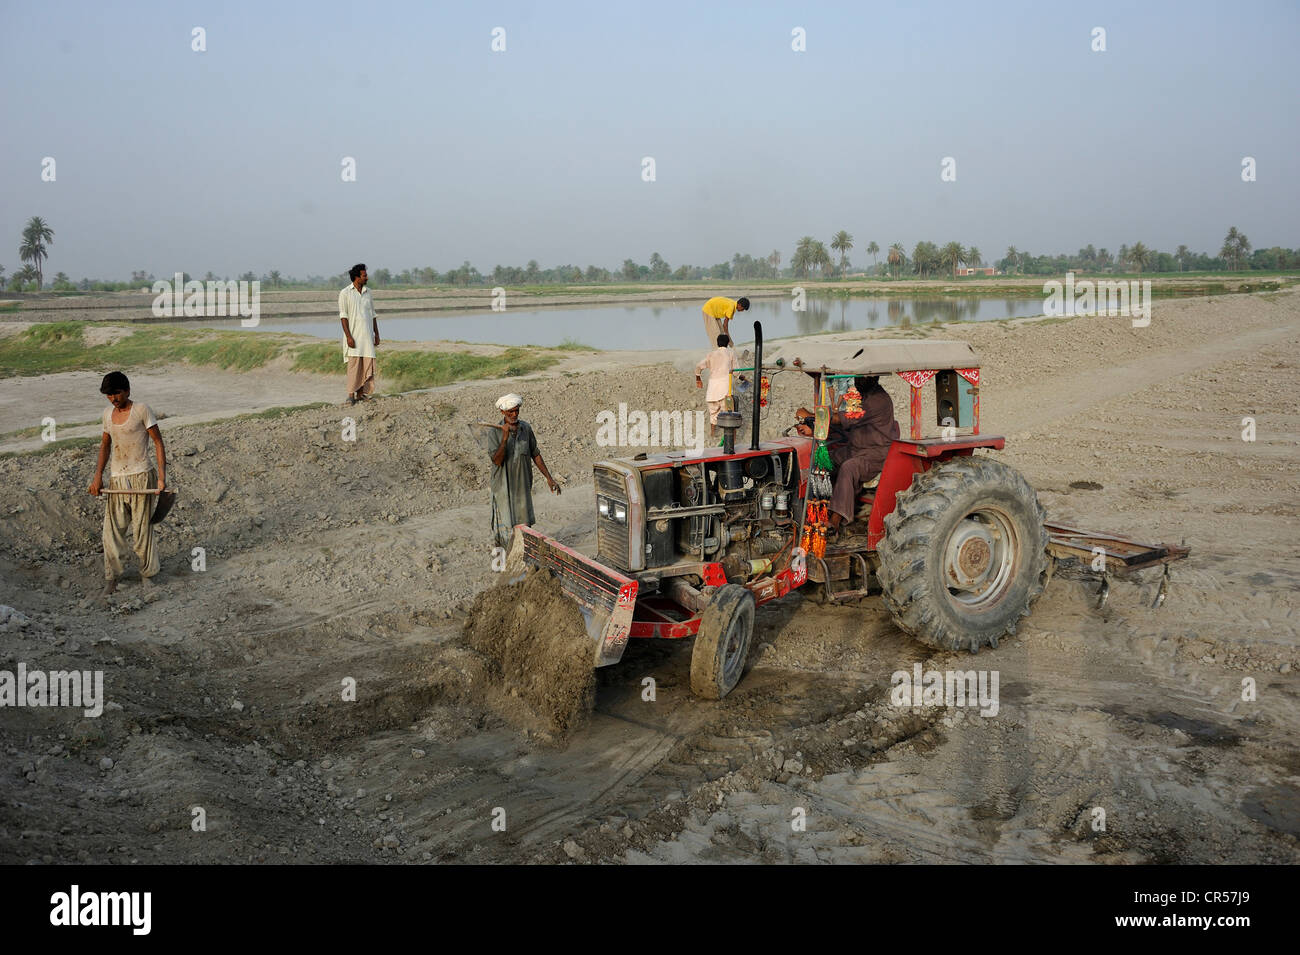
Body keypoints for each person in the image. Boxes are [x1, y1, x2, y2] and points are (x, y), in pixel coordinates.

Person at [87, 371, 166, 596]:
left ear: (127, 390)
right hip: (117, 479)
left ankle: (147, 576)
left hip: (142, 475)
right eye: (109, 395)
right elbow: (105, 446)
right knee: (111, 532)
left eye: (117, 393)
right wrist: (97, 477)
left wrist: (161, 478)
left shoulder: (141, 410)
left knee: (143, 529)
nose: (113, 398)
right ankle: (112, 579)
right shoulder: (107, 415)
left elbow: (158, 443)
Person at [796, 375, 899, 532]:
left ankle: (836, 520)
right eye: (857, 377)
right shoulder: (861, 396)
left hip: (876, 453)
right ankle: (818, 506)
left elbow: (844, 418)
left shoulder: (877, 400)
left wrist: (811, 416)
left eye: (863, 378)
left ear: (874, 378)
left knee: (849, 467)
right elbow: (842, 415)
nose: (858, 381)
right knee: (823, 460)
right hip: (856, 448)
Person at [486, 394, 561, 548]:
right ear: (502, 413)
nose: (514, 415)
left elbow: (535, 454)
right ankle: (507, 560)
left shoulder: (526, 429)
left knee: (524, 528)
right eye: (510, 412)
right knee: (506, 528)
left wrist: (549, 478)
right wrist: (505, 438)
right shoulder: (495, 432)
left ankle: (523, 558)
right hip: (503, 489)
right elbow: (497, 461)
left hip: (522, 487)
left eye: (516, 411)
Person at [339, 263, 380, 405]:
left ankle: (361, 394)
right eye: (364, 275)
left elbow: (373, 315)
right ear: (357, 277)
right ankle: (350, 395)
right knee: (354, 366)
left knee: (366, 366)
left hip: (367, 337)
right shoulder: (345, 293)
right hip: (354, 337)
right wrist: (349, 336)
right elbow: (343, 317)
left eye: (366, 275)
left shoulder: (369, 293)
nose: (367, 277)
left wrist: (377, 334)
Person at [695, 334, 739, 438]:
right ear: (728, 343)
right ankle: (732, 439)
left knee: (713, 414)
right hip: (725, 390)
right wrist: (742, 378)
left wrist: (698, 379)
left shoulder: (711, 355)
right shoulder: (730, 353)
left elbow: (698, 366)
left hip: (712, 391)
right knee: (729, 414)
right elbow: (736, 371)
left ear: (717, 343)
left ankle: (713, 434)